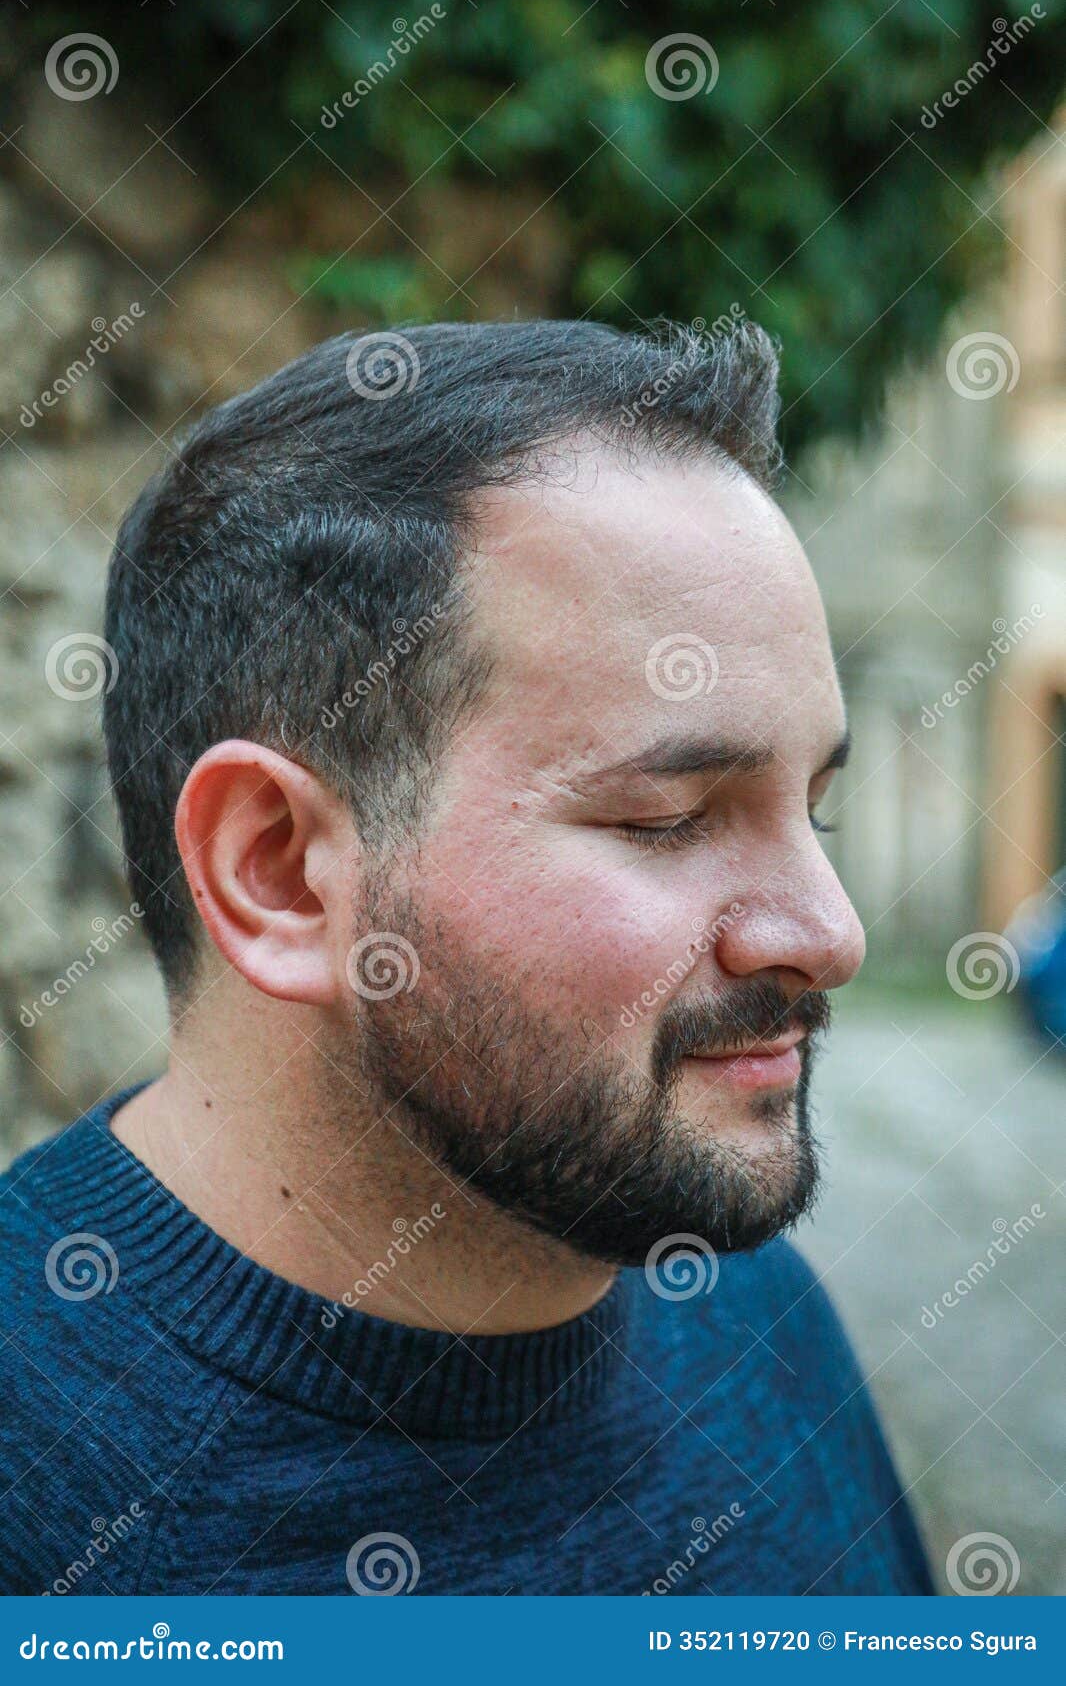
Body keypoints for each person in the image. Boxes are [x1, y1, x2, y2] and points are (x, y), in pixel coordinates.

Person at [0, 320, 933, 1595]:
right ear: (277, 871)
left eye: (811, 804)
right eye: (666, 819)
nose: (830, 933)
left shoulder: (761, 1331)